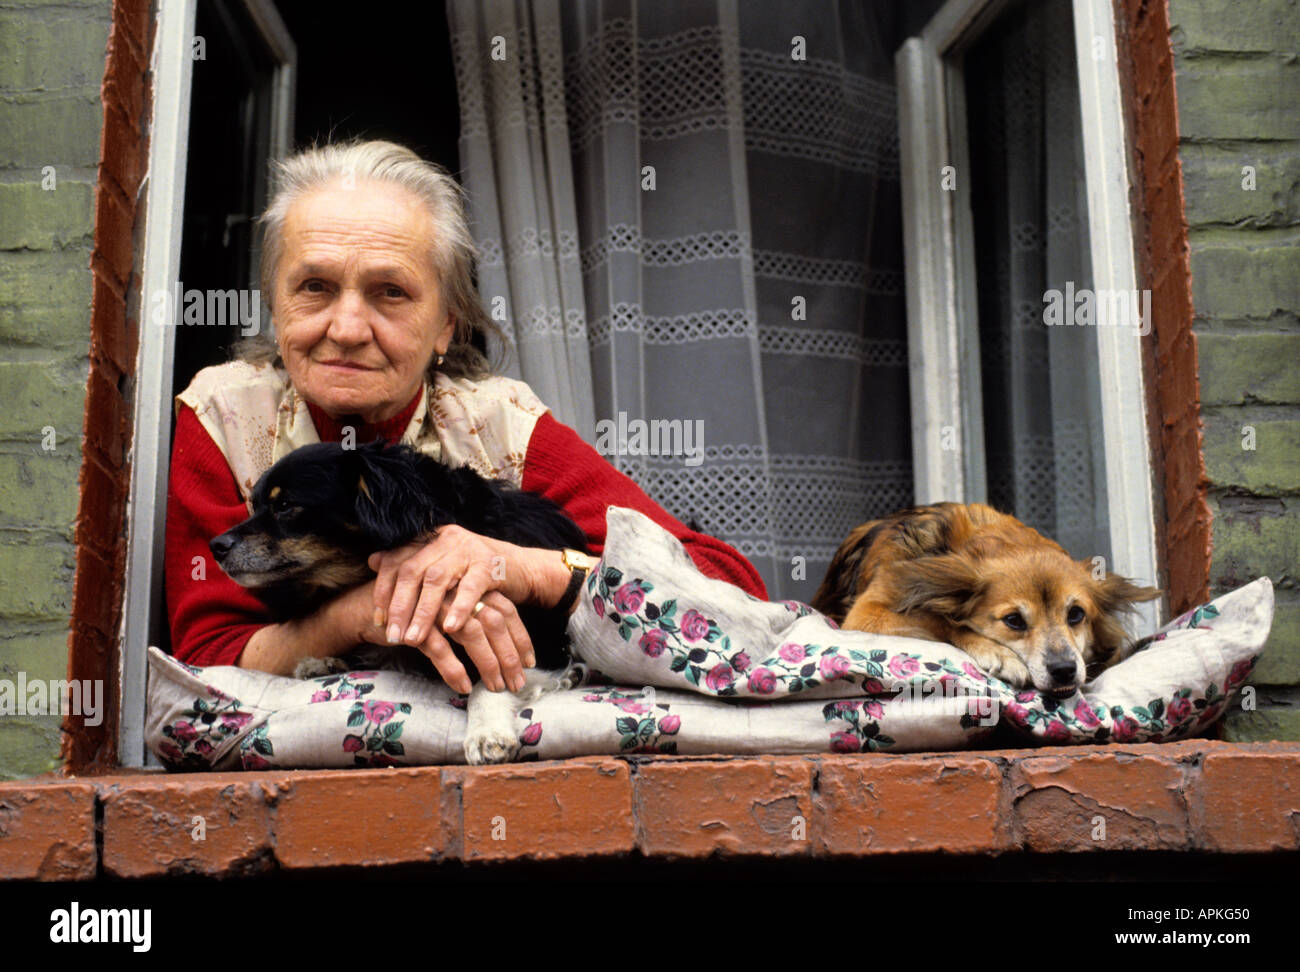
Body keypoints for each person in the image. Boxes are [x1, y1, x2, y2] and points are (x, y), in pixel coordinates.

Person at [165, 139, 766, 696]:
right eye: (315, 286)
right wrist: (375, 606)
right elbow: (209, 658)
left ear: (447, 324)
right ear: (275, 304)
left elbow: (728, 593)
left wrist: (522, 569)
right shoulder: (226, 414)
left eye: (390, 292)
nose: (346, 329)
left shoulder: (502, 426)